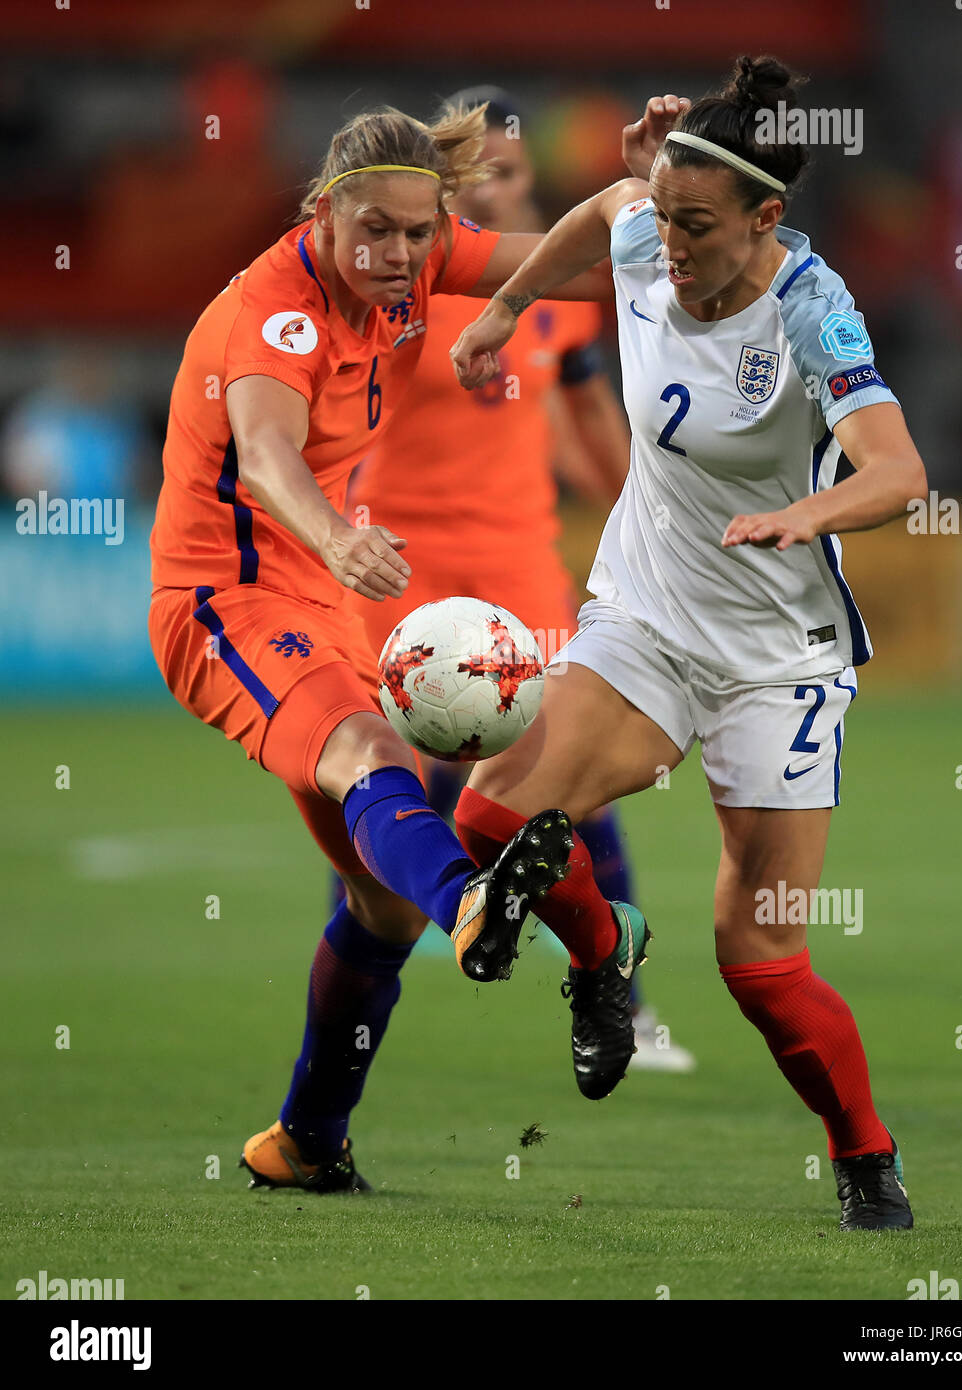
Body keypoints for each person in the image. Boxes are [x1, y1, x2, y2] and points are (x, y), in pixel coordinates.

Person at [450, 59, 928, 1231]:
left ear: (766, 219)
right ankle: (604, 951)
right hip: (647, 618)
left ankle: (863, 1155)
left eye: (695, 222)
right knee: (488, 813)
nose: (665, 238)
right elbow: (596, 214)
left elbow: (899, 474)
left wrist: (799, 515)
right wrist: (507, 307)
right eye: (661, 210)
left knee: (759, 963)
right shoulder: (644, 234)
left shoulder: (811, 310)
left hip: (776, 654)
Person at [147, 100, 650, 1195]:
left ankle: (306, 1140)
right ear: (323, 213)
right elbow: (269, 449)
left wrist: (645, 190)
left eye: (420, 235)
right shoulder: (274, 314)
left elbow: (585, 257)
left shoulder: (415, 269)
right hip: (224, 599)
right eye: (375, 230)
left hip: (321, 601)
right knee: (374, 755)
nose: (400, 255)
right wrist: (335, 535)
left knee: (374, 897)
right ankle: (476, 901)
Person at [347, 85, 695, 1074]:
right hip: (397, 571)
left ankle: (616, 993)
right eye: (480, 173)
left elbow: (585, 434)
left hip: (515, 572)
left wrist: (661, 521)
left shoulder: (552, 297)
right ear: (447, 185)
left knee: (564, 778)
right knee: (386, 781)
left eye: (513, 171)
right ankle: (377, 995)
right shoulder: (400, 288)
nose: (499, 188)